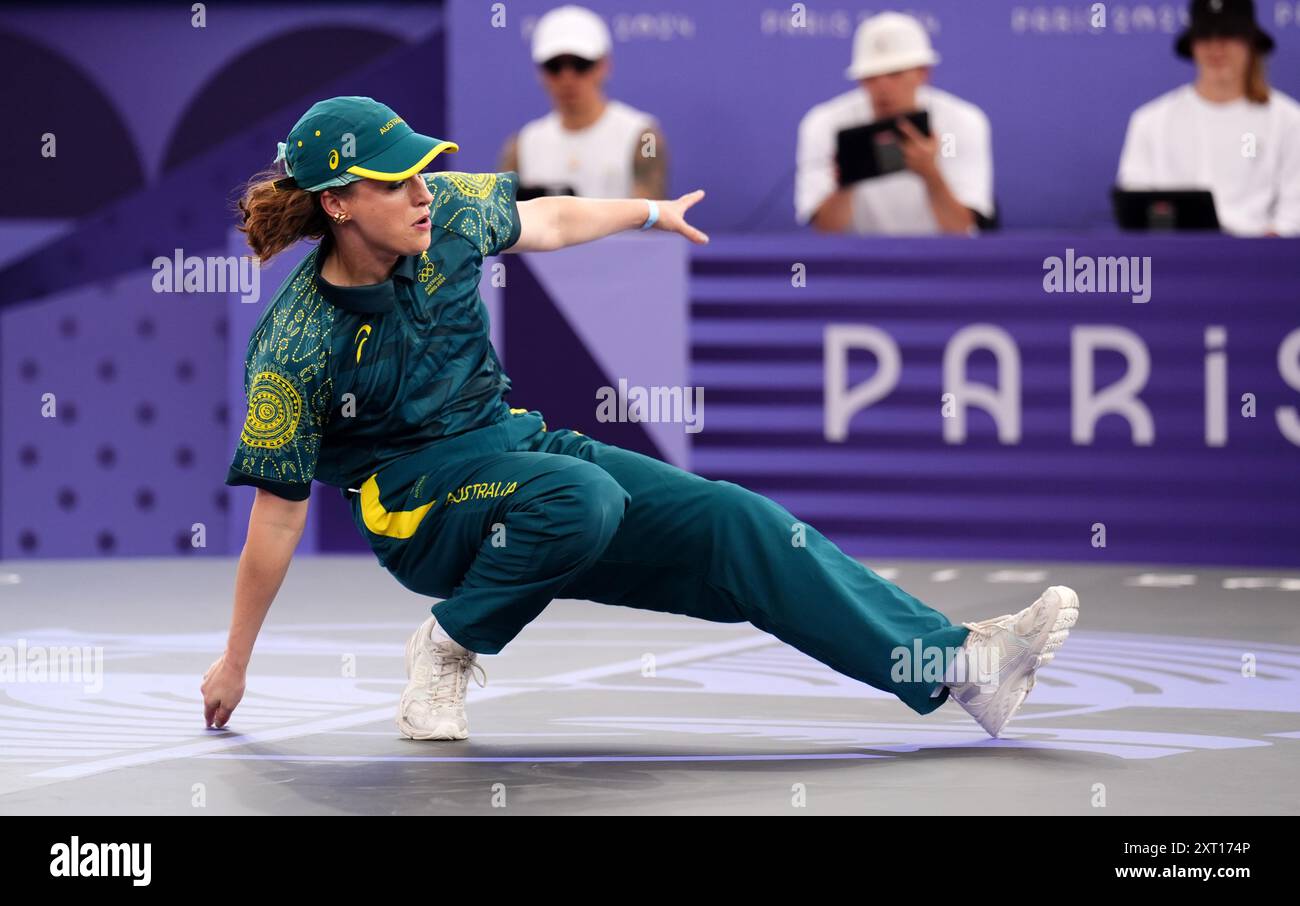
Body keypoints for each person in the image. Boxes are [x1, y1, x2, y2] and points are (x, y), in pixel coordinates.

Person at [203, 96, 1078, 743]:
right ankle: (447, 647)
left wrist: (651, 212)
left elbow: (545, 220)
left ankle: (959, 668)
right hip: (414, 505)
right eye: (392, 180)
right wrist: (236, 660)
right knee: (581, 497)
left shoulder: (448, 216)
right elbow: (277, 516)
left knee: (737, 524)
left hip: (519, 452)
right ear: (338, 204)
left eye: (420, 168)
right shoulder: (294, 345)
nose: (420, 189)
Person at [795, 11, 994, 235]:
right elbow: (825, 230)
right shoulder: (825, 124)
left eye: (895, 73)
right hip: (859, 261)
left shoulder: (963, 121)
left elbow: (961, 229)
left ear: (923, 73)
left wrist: (931, 174)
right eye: (870, 77)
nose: (883, 87)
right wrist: (846, 180)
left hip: (940, 261)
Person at [1117, 0, 1300, 236]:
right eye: (1205, 35)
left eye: (1228, 34)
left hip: (1258, 264)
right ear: (1192, 44)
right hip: (1174, 261)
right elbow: (1136, 205)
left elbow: (1293, 216)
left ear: (1251, 43)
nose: (1216, 47)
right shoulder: (1151, 121)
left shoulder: (1288, 121)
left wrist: (1258, 251)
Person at [498, 4, 667, 199]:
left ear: (604, 66)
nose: (567, 79)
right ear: (541, 73)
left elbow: (650, 214)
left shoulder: (643, 136)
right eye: (555, 67)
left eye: (581, 64)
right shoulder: (522, 144)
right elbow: (503, 220)